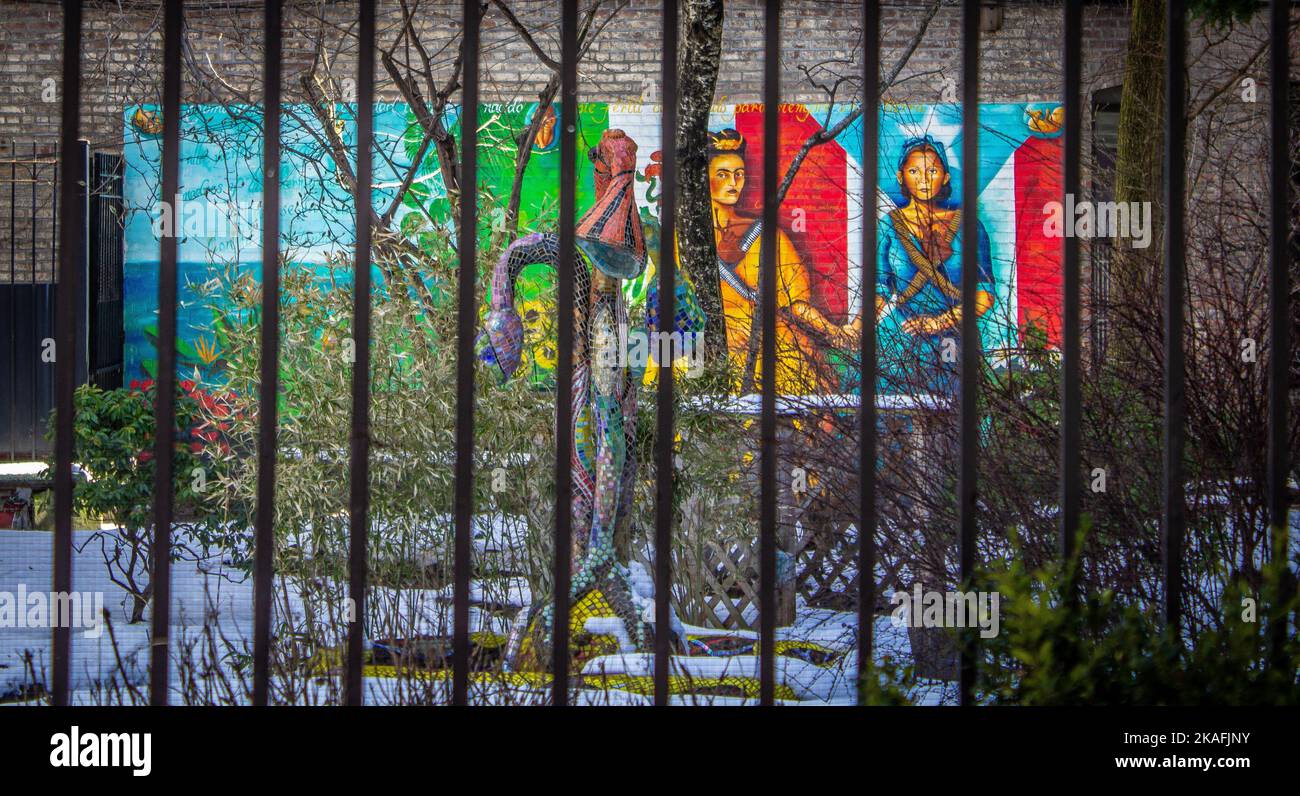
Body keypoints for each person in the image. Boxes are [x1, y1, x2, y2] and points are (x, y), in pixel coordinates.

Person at [706, 128, 856, 395]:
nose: (734, 182)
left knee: (810, 372)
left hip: (768, 337)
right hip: (712, 340)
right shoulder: (681, 238)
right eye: (723, 174)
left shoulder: (766, 234)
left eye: (739, 174)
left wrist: (834, 332)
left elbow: (795, 302)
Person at [849, 135, 995, 395]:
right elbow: (879, 291)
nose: (924, 178)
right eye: (914, 170)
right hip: (902, 341)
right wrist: (855, 329)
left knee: (957, 419)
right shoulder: (889, 226)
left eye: (933, 170)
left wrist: (939, 323)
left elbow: (984, 295)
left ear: (946, 177)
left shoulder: (969, 226)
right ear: (900, 176)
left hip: (956, 341)